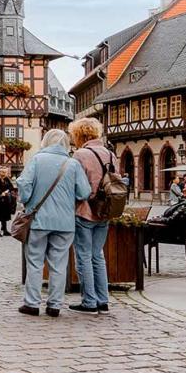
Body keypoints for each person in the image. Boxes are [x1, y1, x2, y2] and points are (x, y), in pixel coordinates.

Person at [16, 129, 92, 318]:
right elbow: (84, 192)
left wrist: (27, 201)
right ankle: (55, 305)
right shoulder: (72, 164)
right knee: (59, 264)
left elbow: (24, 184)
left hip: (39, 220)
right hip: (65, 223)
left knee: (34, 262)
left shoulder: (36, 160)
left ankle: (32, 304)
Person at [70, 118, 114, 314]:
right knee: (98, 256)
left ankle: (89, 302)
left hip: (85, 210)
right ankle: (103, 300)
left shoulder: (80, 155)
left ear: (79, 134)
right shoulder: (110, 154)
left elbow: (78, 187)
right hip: (105, 211)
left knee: (84, 257)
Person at [148, 176, 186, 242]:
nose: (184, 189)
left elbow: (171, 219)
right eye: (184, 187)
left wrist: (154, 219)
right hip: (174, 233)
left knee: (139, 233)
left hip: (174, 235)